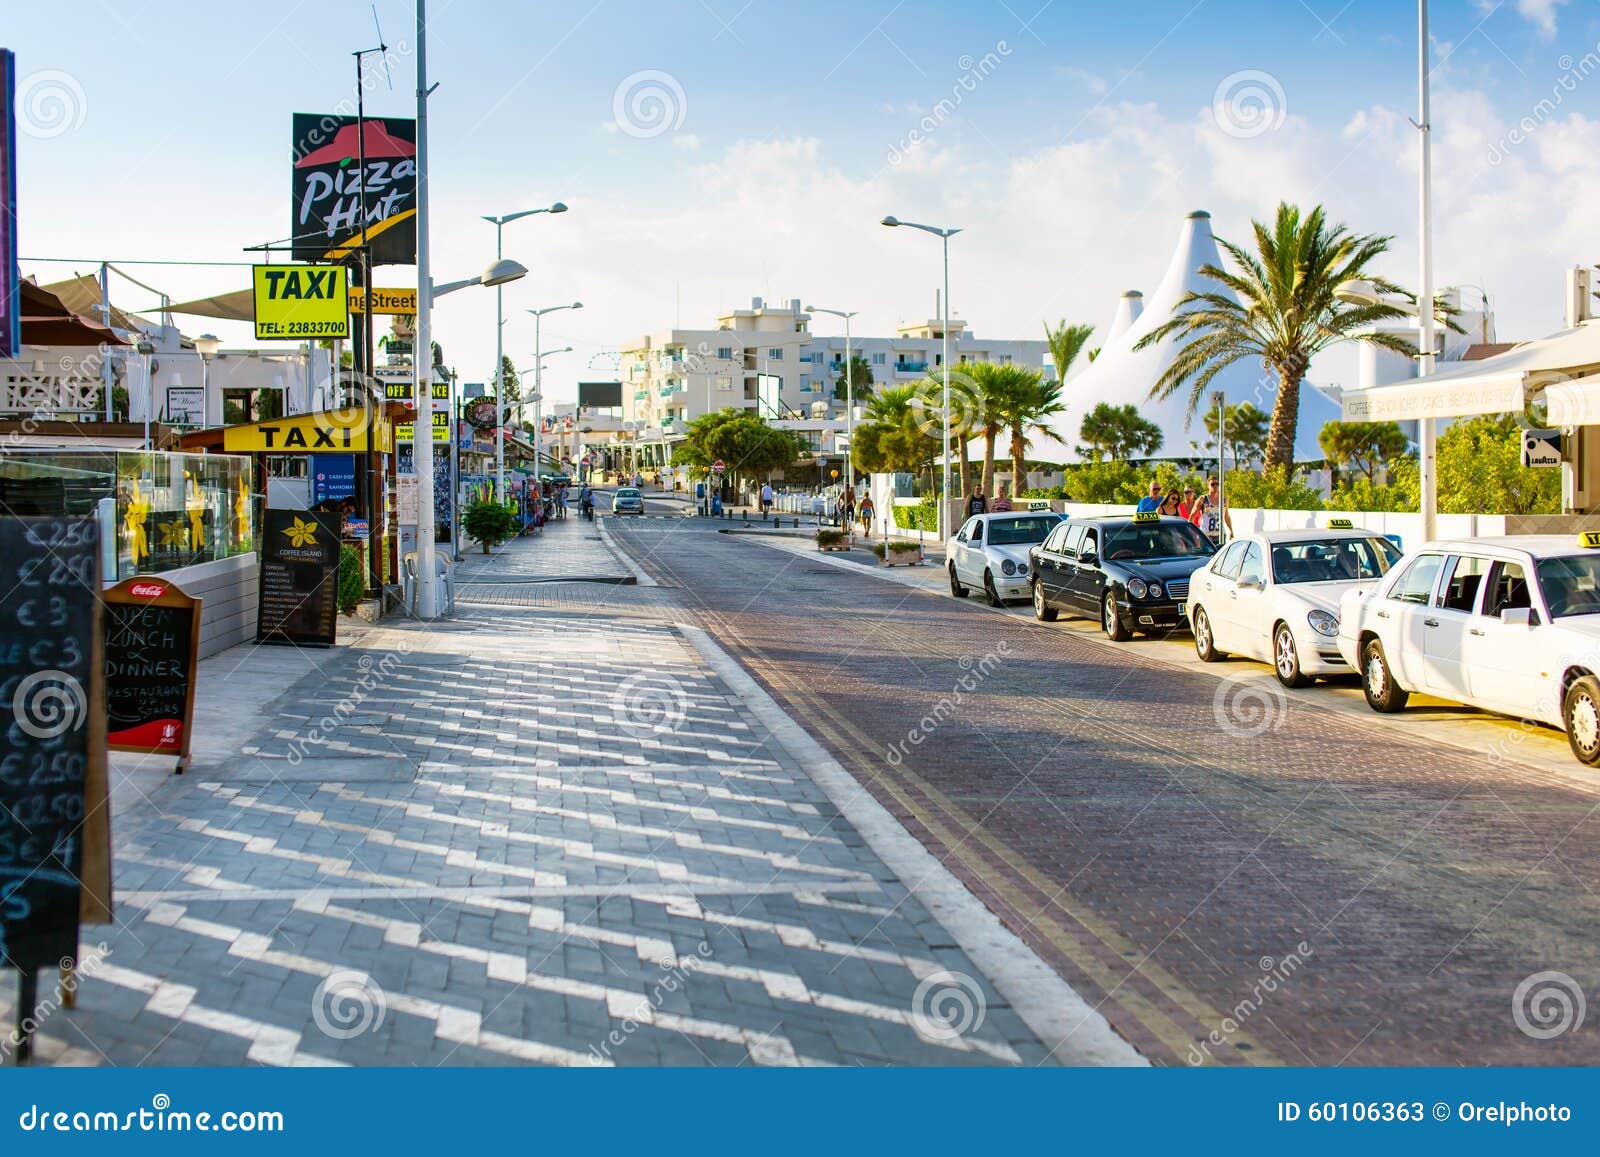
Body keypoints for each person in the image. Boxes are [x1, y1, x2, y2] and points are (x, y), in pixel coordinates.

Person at [1191, 476, 1233, 540]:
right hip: (1206, 536)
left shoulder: (1224, 500)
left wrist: (1231, 530)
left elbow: (1226, 516)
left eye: (1217, 484)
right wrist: (1191, 532)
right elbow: (1192, 515)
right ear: (1208, 486)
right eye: (1212, 484)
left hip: (1220, 535)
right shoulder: (1202, 499)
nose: (1215, 486)